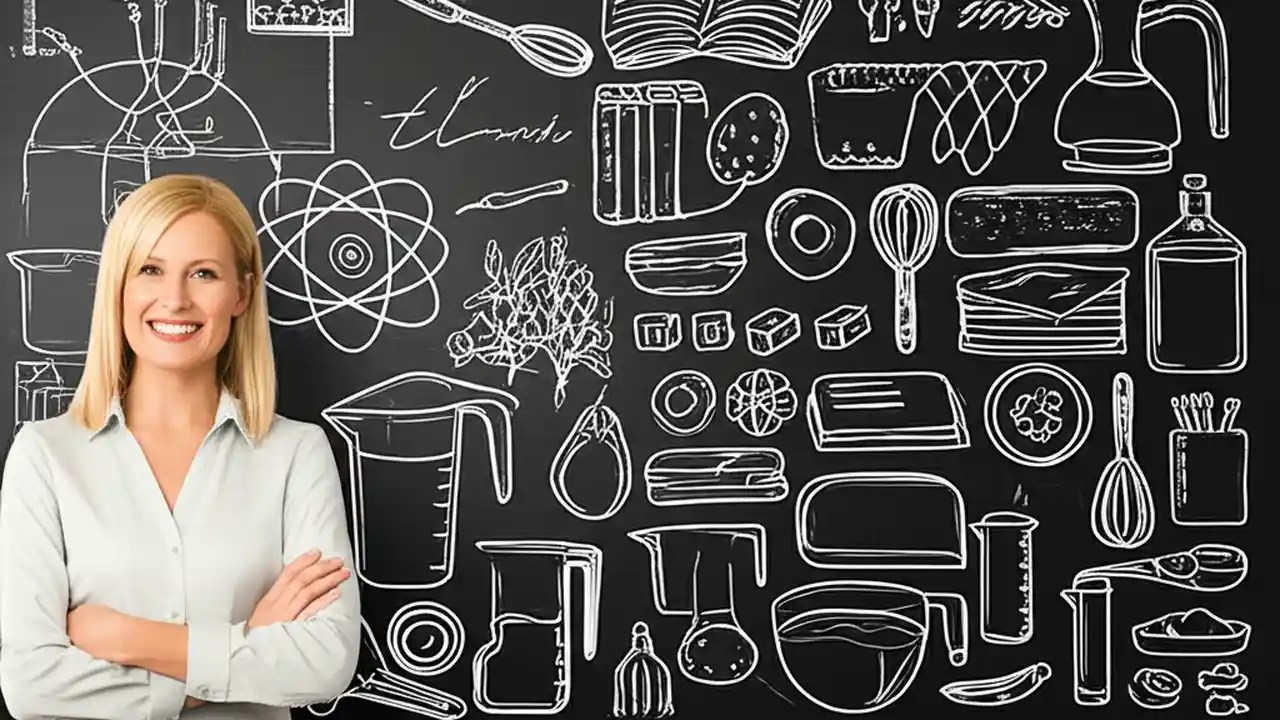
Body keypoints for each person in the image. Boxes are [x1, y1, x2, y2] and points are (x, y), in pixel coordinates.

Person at [0, 174, 361, 718]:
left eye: (203, 274)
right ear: (119, 286)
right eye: (150, 269)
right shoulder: (45, 456)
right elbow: (30, 684)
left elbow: (326, 661)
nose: (175, 299)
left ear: (241, 292)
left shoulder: (298, 454)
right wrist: (242, 646)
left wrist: (125, 637)